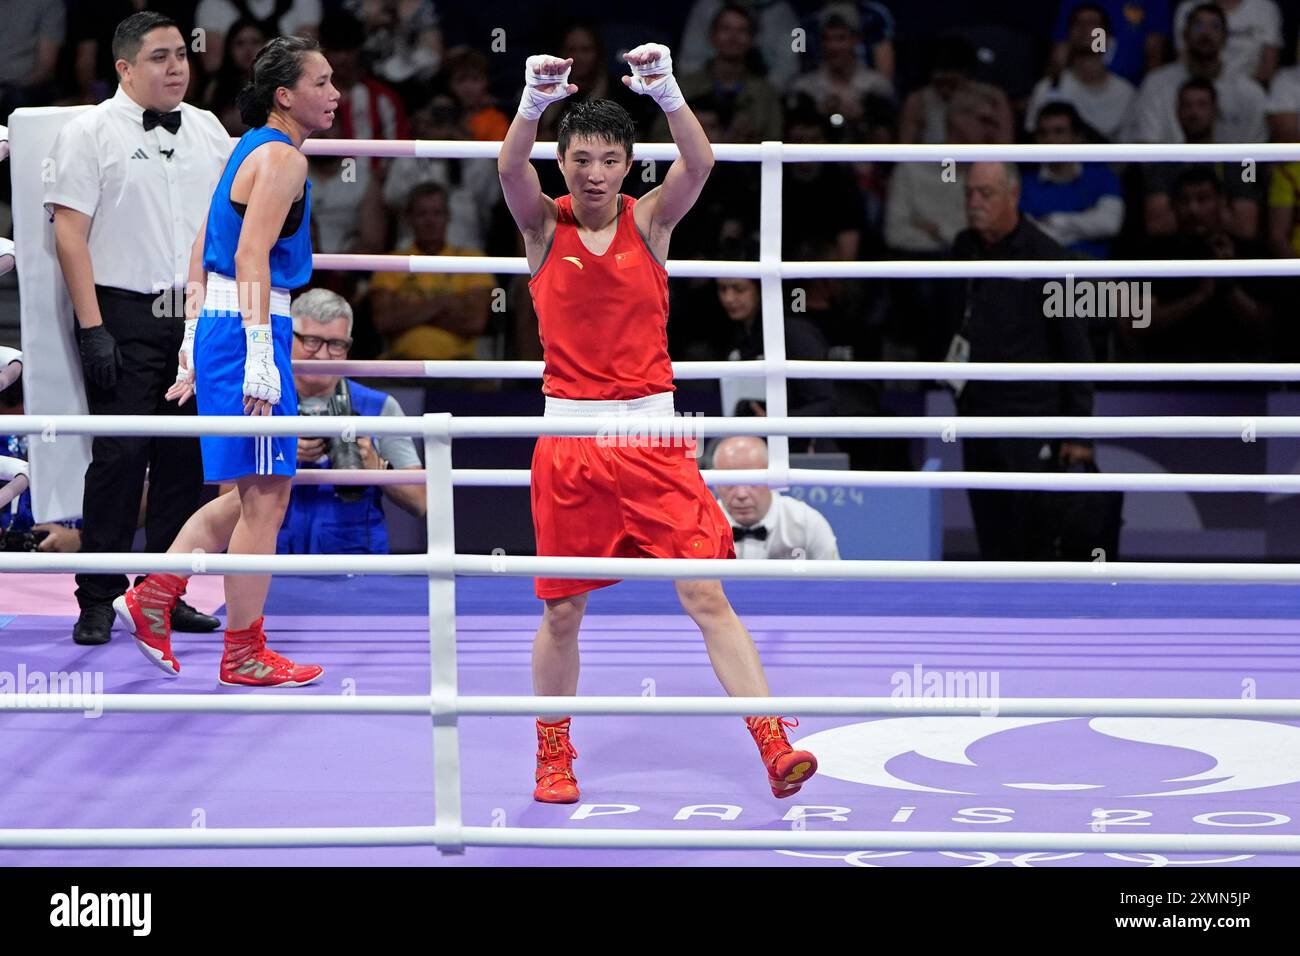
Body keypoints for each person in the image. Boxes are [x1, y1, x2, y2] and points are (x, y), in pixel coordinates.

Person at [497, 44, 817, 804]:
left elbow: (699, 166)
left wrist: (669, 91)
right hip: (571, 439)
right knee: (564, 608)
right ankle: (553, 755)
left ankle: (774, 744)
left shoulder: (650, 224)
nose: (596, 172)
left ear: (628, 163)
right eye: (581, 159)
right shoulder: (543, 227)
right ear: (564, 161)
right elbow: (510, 171)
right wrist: (531, 101)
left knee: (705, 593)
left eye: (609, 159)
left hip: (652, 435)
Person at [112, 35, 339, 687]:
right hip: (248, 327)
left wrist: (193, 338)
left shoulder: (249, 149)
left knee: (249, 494)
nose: (335, 94)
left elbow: (200, 246)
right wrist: (262, 356)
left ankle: (156, 591)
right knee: (266, 502)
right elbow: (249, 259)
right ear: (285, 96)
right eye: (321, 83)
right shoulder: (282, 159)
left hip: (223, 325)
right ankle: (242, 652)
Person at [45, 12, 231, 646]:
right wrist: (93, 328)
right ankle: (96, 597)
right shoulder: (87, 130)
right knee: (120, 459)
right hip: (121, 312)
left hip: (198, 314)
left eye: (181, 53)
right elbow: (69, 234)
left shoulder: (207, 128)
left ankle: (165, 592)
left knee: (185, 461)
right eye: (159, 56)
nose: (177, 65)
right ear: (124, 68)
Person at [949, 162, 1096, 561]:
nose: (974, 203)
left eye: (986, 194)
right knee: (990, 532)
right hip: (977, 416)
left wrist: (1079, 432)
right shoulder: (963, 248)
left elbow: (1077, 350)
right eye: (969, 194)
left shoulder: (1050, 259)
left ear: (1013, 196)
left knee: (1031, 539)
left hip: (1032, 422)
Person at [279, 289, 426, 554]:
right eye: (311, 341)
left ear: (348, 347)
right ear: (288, 338)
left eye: (336, 345)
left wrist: (377, 468)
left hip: (356, 567)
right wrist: (279, 457)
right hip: (272, 562)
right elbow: (226, 498)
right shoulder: (260, 402)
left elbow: (420, 502)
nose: (323, 356)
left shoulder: (380, 407)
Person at [1127, 2, 1267, 143]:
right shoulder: (1156, 84)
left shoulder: (1250, 93)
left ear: (1225, 38)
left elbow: (1254, 157)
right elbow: (1146, 148)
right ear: (1184, 35)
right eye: (1198, 25)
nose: (1206, 33)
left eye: (1215, 26)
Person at [1019, 102, 1124, 259]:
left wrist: (1055, 221)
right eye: (1043, 133)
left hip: (1093, 272)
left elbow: (1109, 224)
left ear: (1077, 138)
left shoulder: (1102, 175)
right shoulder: (1023, 184)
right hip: (1044, 271)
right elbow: (1027, 237)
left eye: (1059, 132)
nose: (1050, 139)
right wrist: (1086, 222)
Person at [713, 437, 840, 560]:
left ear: (772, 480)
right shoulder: (699, 527)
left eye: (753, 481)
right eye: (729, 482)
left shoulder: (807, 524)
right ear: (715, 485)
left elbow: (836, 580)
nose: (741, 494)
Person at [1024, 3, 1136, 141]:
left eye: (1093, 23)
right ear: (1069, 35)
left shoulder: (1125, 93)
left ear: (1107, 37)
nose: (1085, 29)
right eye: (1078, 23)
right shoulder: (1048, 88)